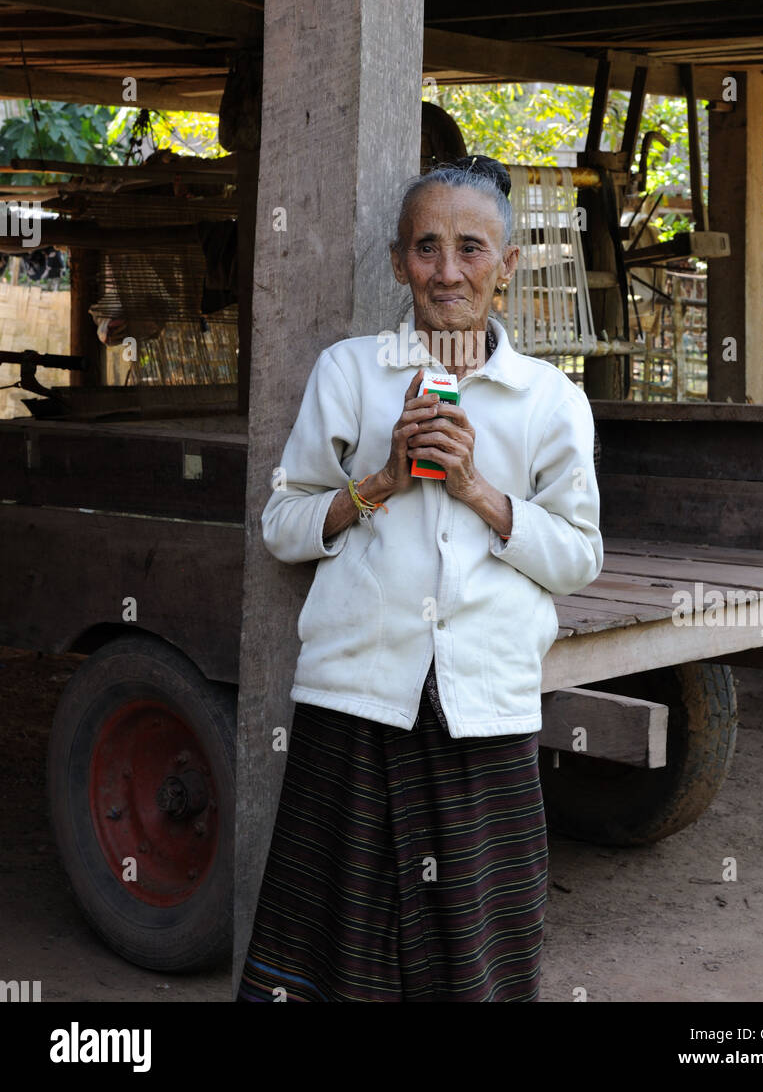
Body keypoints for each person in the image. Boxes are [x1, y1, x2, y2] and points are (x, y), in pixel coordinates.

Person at [236, 155, 603, 1003]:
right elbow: (282, 527)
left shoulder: (548, 401)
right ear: (401, 260)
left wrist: (477, 491)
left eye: (470, 248)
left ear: (506, 267)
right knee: (332, 941)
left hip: (484, 699)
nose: (447, 271)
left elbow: (578, 556)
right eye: (425, 247)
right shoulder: (350, 372)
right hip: (357, 692)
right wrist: (380, 480)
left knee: (478, 941)